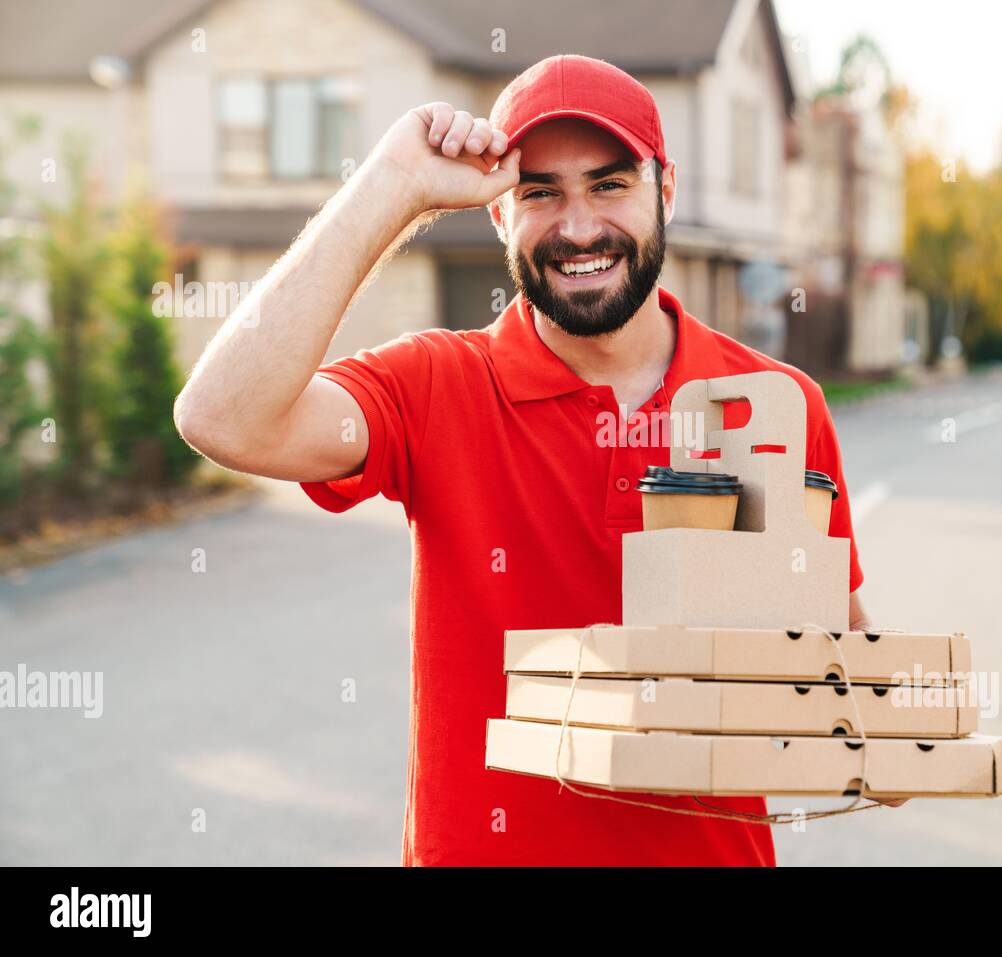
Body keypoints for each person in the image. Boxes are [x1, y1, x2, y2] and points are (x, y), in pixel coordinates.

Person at [174, 54, 902, 867]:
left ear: (667, 189)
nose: (579, 227)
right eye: (539, 191)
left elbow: (839, 658)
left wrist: (893, 728)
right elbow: (221, 417)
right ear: (496, 215)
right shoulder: (436, 387)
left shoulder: (774, 401)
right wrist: (390, 187)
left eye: (610, 183)